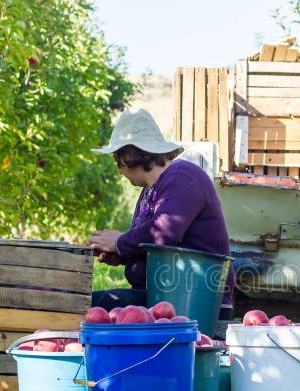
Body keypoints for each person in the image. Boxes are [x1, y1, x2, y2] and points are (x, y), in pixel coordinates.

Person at [87, 109, 235, 319]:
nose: (118, 168)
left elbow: (164, 232)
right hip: (165, 295)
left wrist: (120, 241)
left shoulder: (182, 177)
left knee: (91, 305)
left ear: (128, 156)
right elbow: (156, 247)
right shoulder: (152, 190)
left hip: (192, 301)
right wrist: (121, 254)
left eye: (117, 158)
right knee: (92, 303)